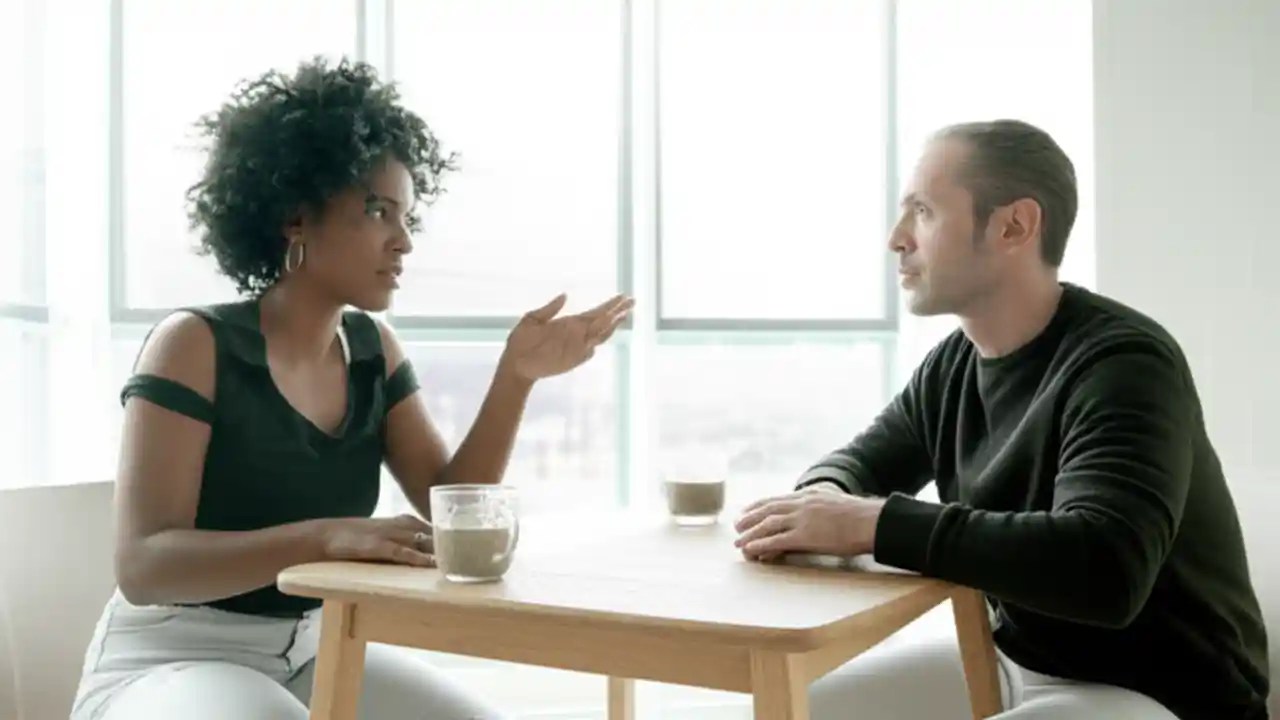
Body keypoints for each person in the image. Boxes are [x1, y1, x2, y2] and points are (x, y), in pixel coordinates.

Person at [70, 57, 632, 720]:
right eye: (377, 210)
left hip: (311, 648)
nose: (403, 243)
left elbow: (445, 505)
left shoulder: (371, 351)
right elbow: (144, 567)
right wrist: (324, 537)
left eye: (407, 218)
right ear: (295, 217)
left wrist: (517, 378)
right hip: (171, 657)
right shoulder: (194, 345)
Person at [734, 119, 1268, 719]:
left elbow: (1106, 568)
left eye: (924, 212)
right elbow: (858, 466)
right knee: (807, 707)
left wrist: (874, 523)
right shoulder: (955, 364)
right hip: (1021, 664)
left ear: (1014, 225)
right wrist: (822, 505)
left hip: (1167, 696)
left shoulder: (1124, 364)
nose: (896, 238)